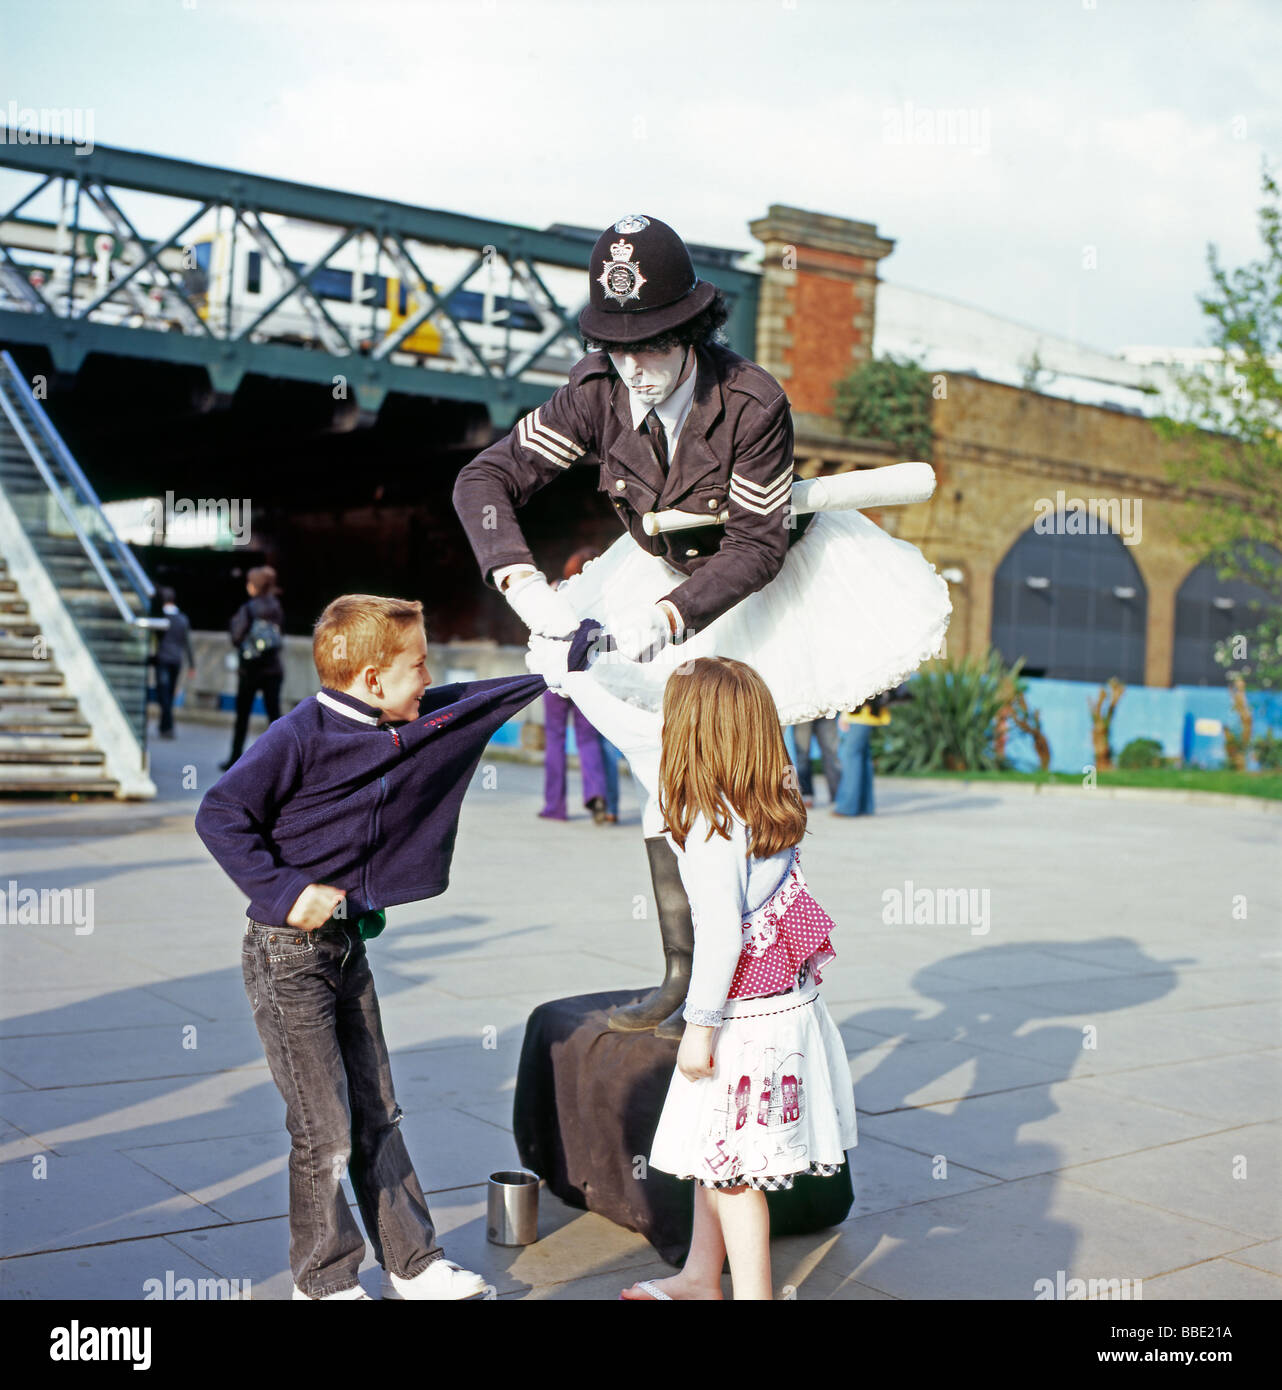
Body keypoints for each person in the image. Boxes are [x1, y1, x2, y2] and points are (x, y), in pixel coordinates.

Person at [453, 213, 951, 1039]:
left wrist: (670, 618)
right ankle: (683, 972)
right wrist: (524, 584)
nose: (636, 366)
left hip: (761, 584)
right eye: (620, 345)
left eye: (652, 343)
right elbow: (485, 477)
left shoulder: (752, 401)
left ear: (690, 329)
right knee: (662, 764)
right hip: (653, 563)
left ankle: (765, 965)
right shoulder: (595, 392)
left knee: (741, 778)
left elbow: (757, 546)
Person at [195, 594, 551, 1300]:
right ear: (369, 679)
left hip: (346, 950)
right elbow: (220, 813)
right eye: (417, 664)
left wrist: (557, 671)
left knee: (377, 1111)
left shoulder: (401, 719)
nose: (430, 675)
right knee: (324, 1128)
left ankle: (412, 1264)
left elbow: (468, 702)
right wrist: (287, 891)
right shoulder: (299, 734)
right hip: (287, 955)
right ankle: (322, 1281)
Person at [530, 646, 857, 1301]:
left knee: (732, 1173)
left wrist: (701, 1028)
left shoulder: (710, 827)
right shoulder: (769, 808)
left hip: (744, 1023)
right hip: (785, 1011)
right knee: (716, 1153)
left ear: (692, 733)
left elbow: (723, 936)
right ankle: (701, 1277)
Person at [540, 550, 610, 823]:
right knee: (587, 739)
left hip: (555, 675)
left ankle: (555, 806)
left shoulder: (552, 592)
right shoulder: (596, 598)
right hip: (585, 674)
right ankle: (596, 795)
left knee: (555, 740)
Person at [222, 565, 285, 770]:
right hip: (273, 669)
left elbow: (236, 637)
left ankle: (234, 757)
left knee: (242, 716)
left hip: (250, 670)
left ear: (253, 586)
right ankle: (283, 758)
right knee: (274, 716)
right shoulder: (276, 607)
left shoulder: (249, 608)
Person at [833, 694, 890, 816]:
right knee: (862, 759)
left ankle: (847, 807)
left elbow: (856, 689)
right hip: (870, 713)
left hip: (860, 714)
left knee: (850, 757)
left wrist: (844, 715)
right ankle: (864, 806)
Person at [151, 586, 195, 739]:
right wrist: (192, 664)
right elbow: (187, 643)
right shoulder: (183, 619)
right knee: (169, 694)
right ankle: (165, 726)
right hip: (177, 660)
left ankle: (167, 726)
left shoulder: (160, 618)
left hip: (163, 659)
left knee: (164, 694)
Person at [789, 715, 841, 808]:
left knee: (831, 753)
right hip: (802, 709)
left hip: (826, 706)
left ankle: (837, 795)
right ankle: (807, 795)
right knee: (803, 753)